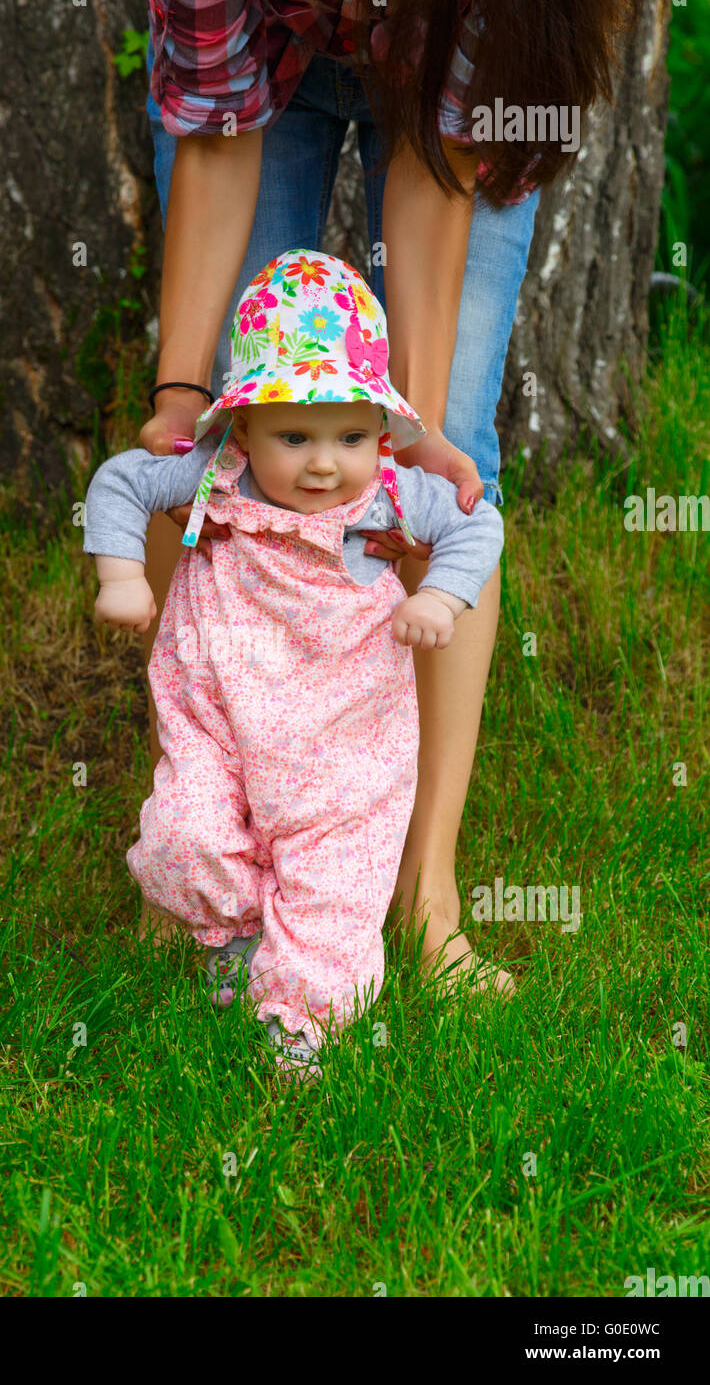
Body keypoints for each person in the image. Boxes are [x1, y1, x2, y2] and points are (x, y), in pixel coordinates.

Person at [136, 0, 635, 991]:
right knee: (212, 453)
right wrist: (183, 402)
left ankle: (424, 892)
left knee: (454, 473)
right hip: (257, 74)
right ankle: (202, 868)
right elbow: (219, 142)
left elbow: (434, 175)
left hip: (448, 69)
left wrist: (413, 443)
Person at [85, 251, 506, 1080]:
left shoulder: (387, 493)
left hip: (342, 750)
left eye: (351, 436)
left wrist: (440, 598)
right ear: (241, 428)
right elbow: (121, 482)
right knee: (184, 838)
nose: (324, 463)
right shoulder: (215, 474)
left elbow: (475, 526)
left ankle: (300, 1025)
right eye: (295, 437)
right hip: (224, 727)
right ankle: (236, 939)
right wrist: (121, 575)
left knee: (332, 893)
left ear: (382, 434)